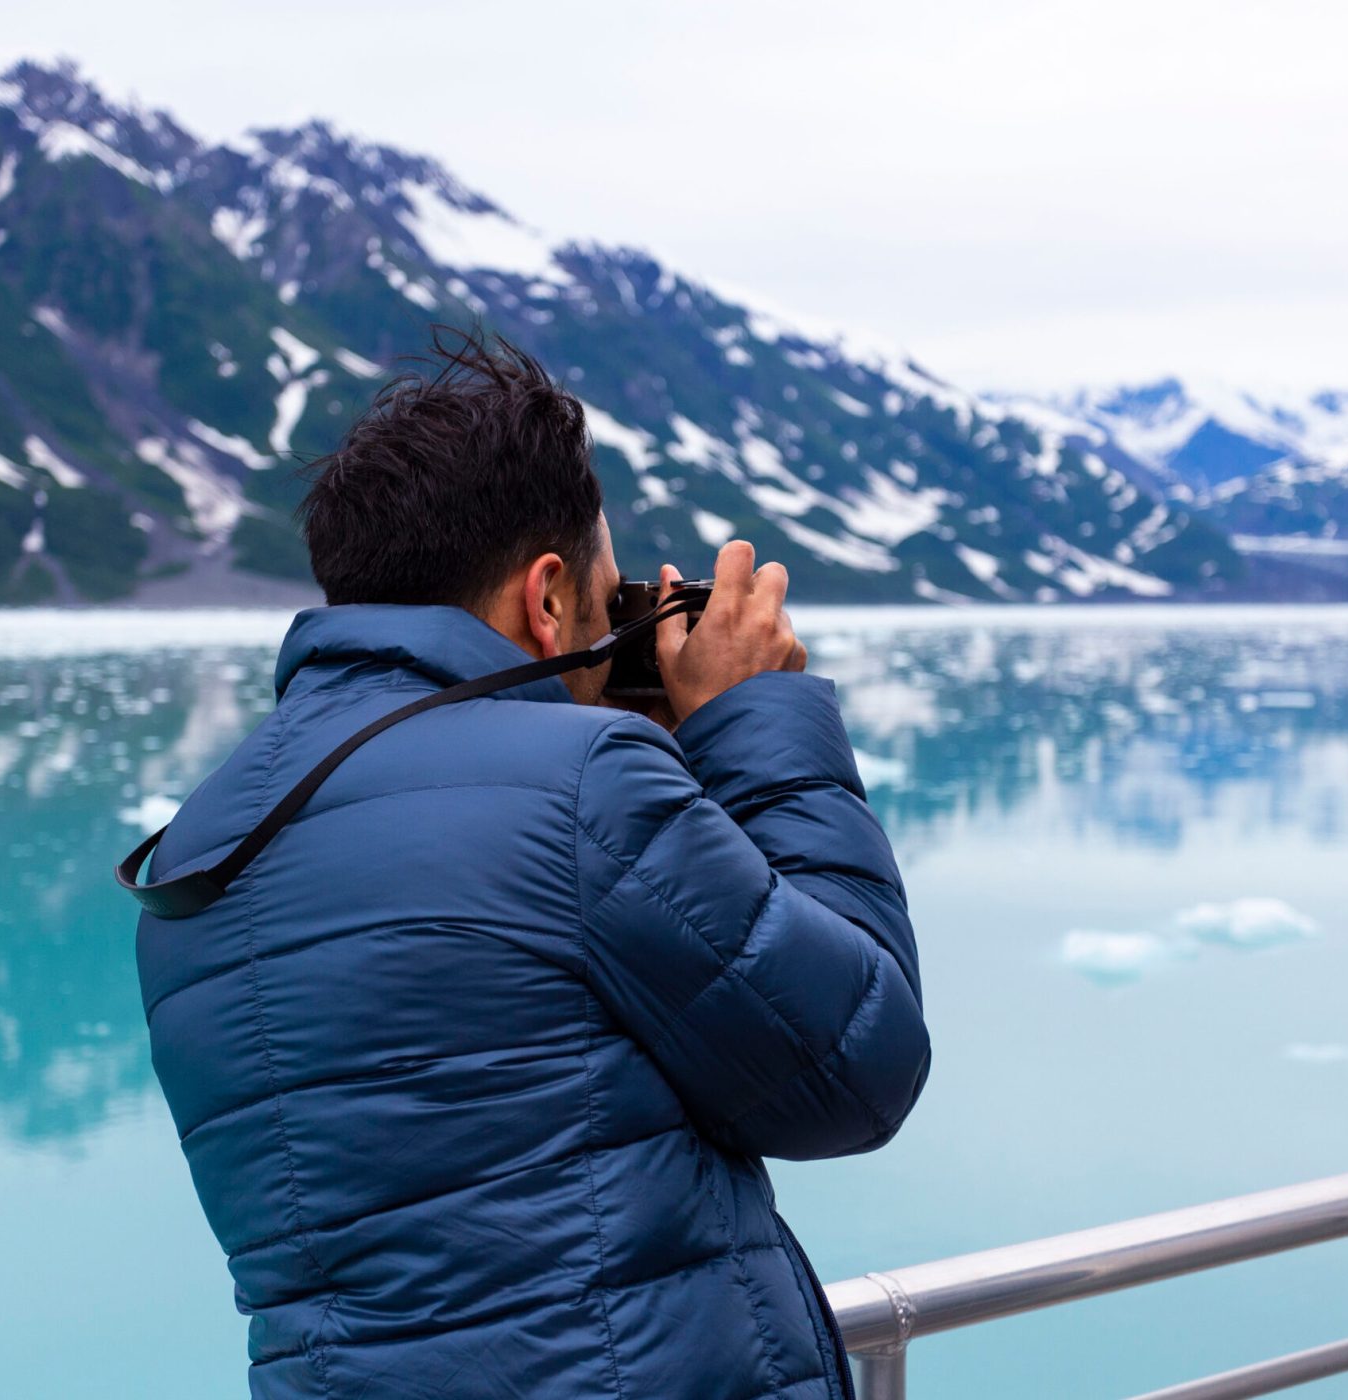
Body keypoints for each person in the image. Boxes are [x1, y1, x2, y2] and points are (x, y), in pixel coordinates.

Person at [134, 330, 931, 1399]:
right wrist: (754, 723)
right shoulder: (586, 785)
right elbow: (854, 1066)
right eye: (608, 608)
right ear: (547, 599)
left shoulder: (198, 846)